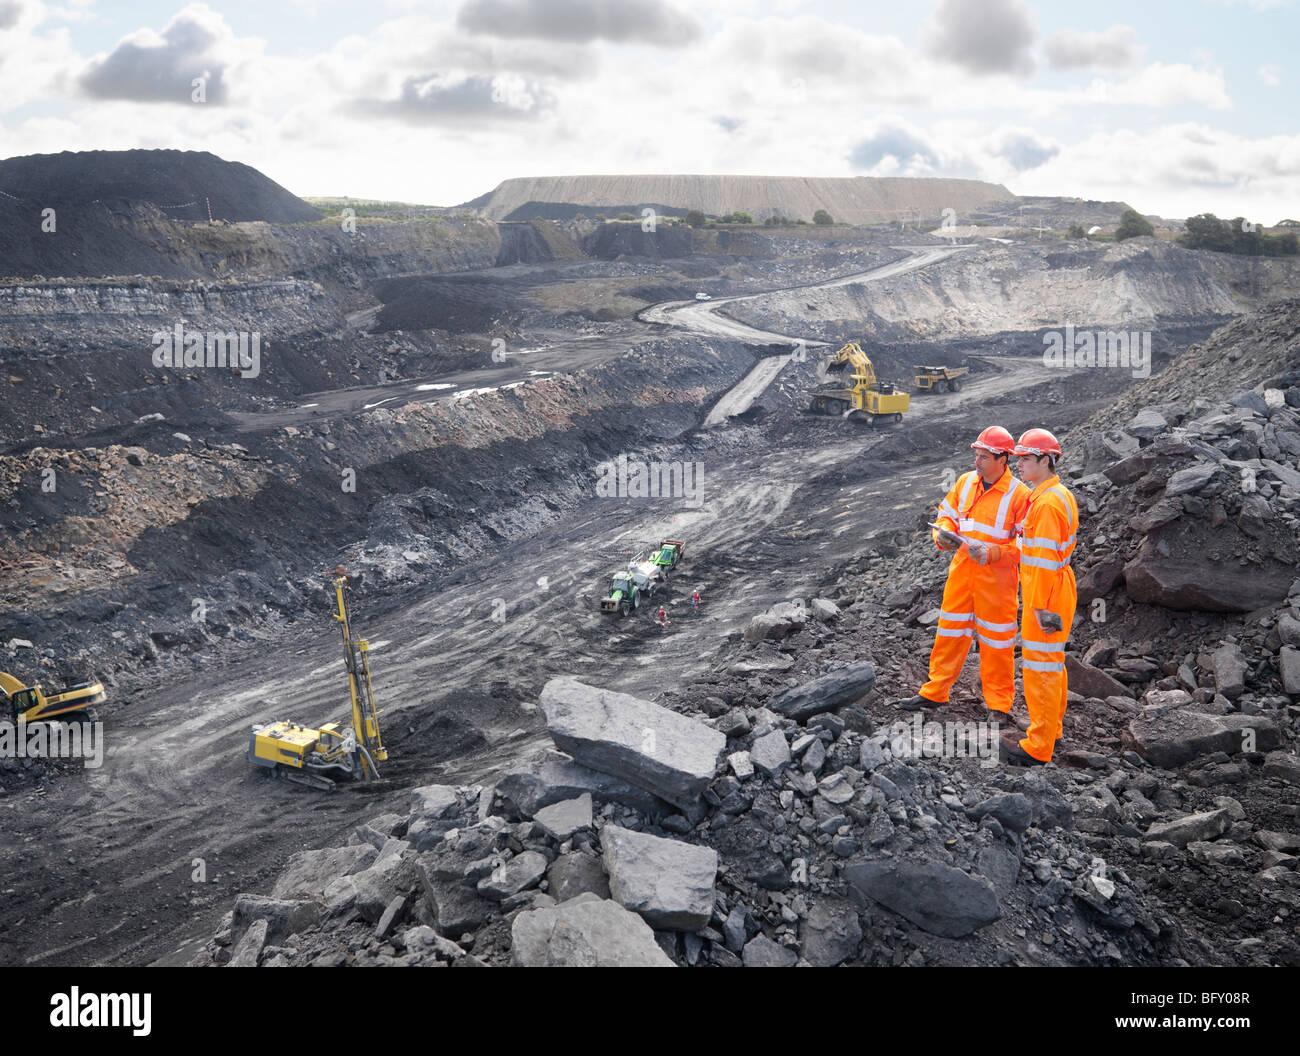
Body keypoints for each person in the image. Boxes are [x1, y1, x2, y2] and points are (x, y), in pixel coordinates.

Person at [895, 427, 1030, 719]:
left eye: (984, 457)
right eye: (976, 455)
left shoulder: (1020, 495)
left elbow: (1027, 545)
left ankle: (998, 706)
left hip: (997, 581)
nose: (977, 462)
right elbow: (947, 515)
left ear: (1003, 459)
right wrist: (942, 534)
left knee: (996, 644)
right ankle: (935, 692)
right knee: (949, 633)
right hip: (961, 575)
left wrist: (994, 553)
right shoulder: (965, 483)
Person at [1002, 428, 1078, 766]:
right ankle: (1052, 729)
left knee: (1039, 668)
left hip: (1045, 594)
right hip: (1054, 589)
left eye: (1026, 458)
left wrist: (1039, 609)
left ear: (1046, 460)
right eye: (1018, 458)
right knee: (1052, 665)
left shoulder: (1047, 503)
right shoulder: (1053, 495)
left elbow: (1044, 562)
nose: (1019, 464)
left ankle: (1038, 746)